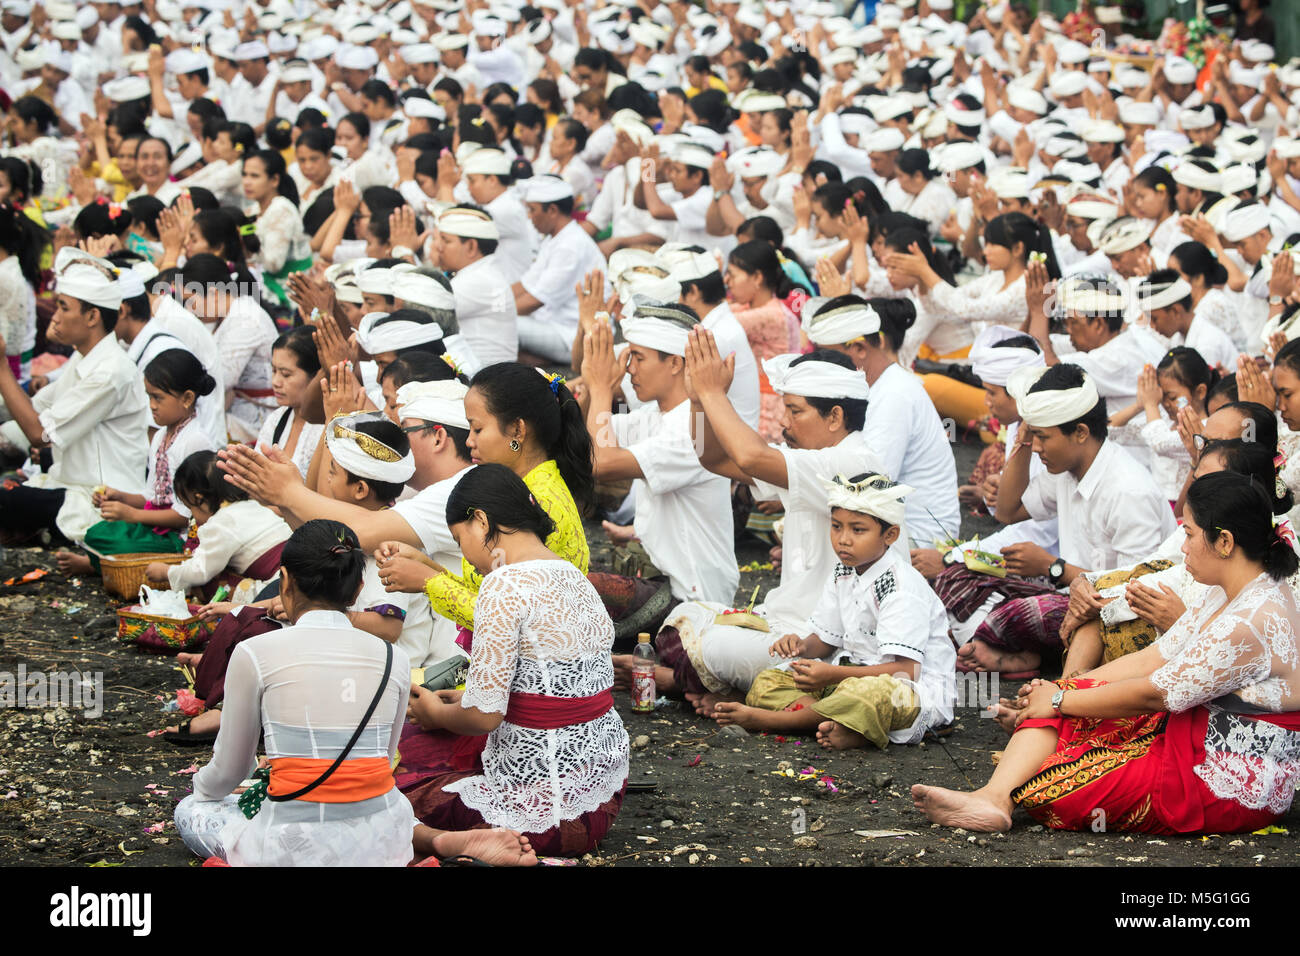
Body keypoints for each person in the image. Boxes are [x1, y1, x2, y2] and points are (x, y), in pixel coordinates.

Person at [914, 471, 1300, 835]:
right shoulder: (1227, 590)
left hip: (1228, 777)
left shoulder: (1252, 619)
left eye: (1189, 534)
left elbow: (1155, 692)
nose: (1182, 547)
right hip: (1191, 731)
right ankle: (992, 798)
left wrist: (1063, 699)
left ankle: (1006, 791)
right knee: (1061, 710)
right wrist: (1060, 689)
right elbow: (1156, 657)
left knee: (1051, 791)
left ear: (1226, 542)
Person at [173, 518, 538, 866]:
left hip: (287, 850)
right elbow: (383, 759)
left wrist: (201, 792)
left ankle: (430, 838)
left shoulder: (255, 653)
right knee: (376, 793)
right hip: (383, 845)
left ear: (284, 582)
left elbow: (230, 771)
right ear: (358, 589)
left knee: (192, 810)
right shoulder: (393, 658)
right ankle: (433, 839)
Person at [401, 465, 629, 857]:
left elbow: (484, 718)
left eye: (460, 539)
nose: (465, 557)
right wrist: (465, 700)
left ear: (481, 521)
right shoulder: (574, 577)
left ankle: (464, 842)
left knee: (397, 784)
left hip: (548, 819)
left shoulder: (503, 583)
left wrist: (438, 715)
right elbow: (549, 688)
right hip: (603, 799)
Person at [959, 363, 1176, 677]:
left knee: (1019, 613)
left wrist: (1052, 567)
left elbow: (1135, 594)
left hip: (1116, 612)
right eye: (1034, 436)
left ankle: (1023, 653)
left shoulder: (1128, 491)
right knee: (964, 577)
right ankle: (1025, 651)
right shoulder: (1065, 468)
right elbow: (1007, 512)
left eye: (1043, 437)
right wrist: (1022, 438)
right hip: (1072, 596)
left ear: (1081, 433)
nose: (1037, 448)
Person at [712, 472, 956, 749]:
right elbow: (827, 641)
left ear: (890, 534)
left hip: (907, 690)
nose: (843, 539)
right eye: (837, 526)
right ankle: (838, 724)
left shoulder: (901, 585)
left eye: (858, 529)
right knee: (769, 680)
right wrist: (801, 646)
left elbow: (906, 671)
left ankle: (777, 721)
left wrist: (831, 676)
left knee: (869, 694)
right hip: (849, 676)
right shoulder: (844, 570)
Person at [579, 302, 737, 604]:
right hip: (660, 577)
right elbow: (587, 441)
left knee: (568, 585)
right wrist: (593, 383)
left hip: (692, 595)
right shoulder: (655, 414)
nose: (630, 370)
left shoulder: (691, 427)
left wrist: (602, 390)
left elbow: (603, 464)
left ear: (675, 364)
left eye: (638, 358)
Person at [0, 249, 151, 544]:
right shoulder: (84, 359)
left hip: (97, 499)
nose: (55, 318)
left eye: (63, 308)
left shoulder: (111, 370)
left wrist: (2, 367)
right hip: (67, 484)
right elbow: (32, 410)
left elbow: (39, 434)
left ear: (92, 316)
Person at [804, 295, 961, 546]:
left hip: (921, 539)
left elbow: (868, 485)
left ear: (860, 349)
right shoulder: (875, 386)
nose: (824, 364)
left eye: (828, 355)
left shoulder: (894, 394)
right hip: (883, 524)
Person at [60, 349, 217, 574]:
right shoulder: (161, 437)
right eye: (149, 396)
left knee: (113, 540)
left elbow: (186, 515)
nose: (152, 405)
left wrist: (132, 515)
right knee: (98, 531)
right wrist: (119, 497)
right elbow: (150, 497)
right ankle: (106, 564)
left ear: (187, 398)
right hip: (155, 527)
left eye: (158, 397)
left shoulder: (194, 442)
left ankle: (97, 566)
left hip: (180, 539)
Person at [145, 451, 291, 598]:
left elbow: (200, 570)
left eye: (191, 508)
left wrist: (167, 572)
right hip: (295, 569)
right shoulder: (251, 505)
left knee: (212, 584)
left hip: (280, 585)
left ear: (199, 499)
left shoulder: (221, 523)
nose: (192, 515)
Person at [511, 175, 607, 364]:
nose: (529, 216)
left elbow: (534, 301)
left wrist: (492, 312)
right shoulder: (556, 238)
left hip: (571, 335)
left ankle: (547, 360)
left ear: (552, 210)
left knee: (502, 324)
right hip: (553, 325)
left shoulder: (570, 245)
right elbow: (525, 285)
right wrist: (492, 302)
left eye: (532, 209)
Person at [256, 327, 324, 479]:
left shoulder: (327, 428)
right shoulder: (276, 418)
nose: (275, 382)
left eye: (286, 374)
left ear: (316, 376)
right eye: (274, 371)